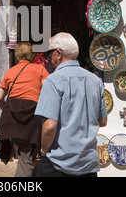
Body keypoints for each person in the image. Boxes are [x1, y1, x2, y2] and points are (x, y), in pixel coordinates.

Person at [35, 32, 107, 177]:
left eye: (50, 54)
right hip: (87, 164)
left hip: (58, 163)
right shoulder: (95, 80)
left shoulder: (53, 80)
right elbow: (102, 121)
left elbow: (50, 125)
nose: (49, 59)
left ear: (58, 53)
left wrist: (43, 151)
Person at [0, 42, 49, 177]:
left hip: (11, 121)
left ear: (17, 55)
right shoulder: (40, 69)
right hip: (31, 119)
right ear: (31, 55)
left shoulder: (10, 71)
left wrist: (8, 110)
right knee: (27, 159)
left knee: (23, 156)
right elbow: (48, 91)